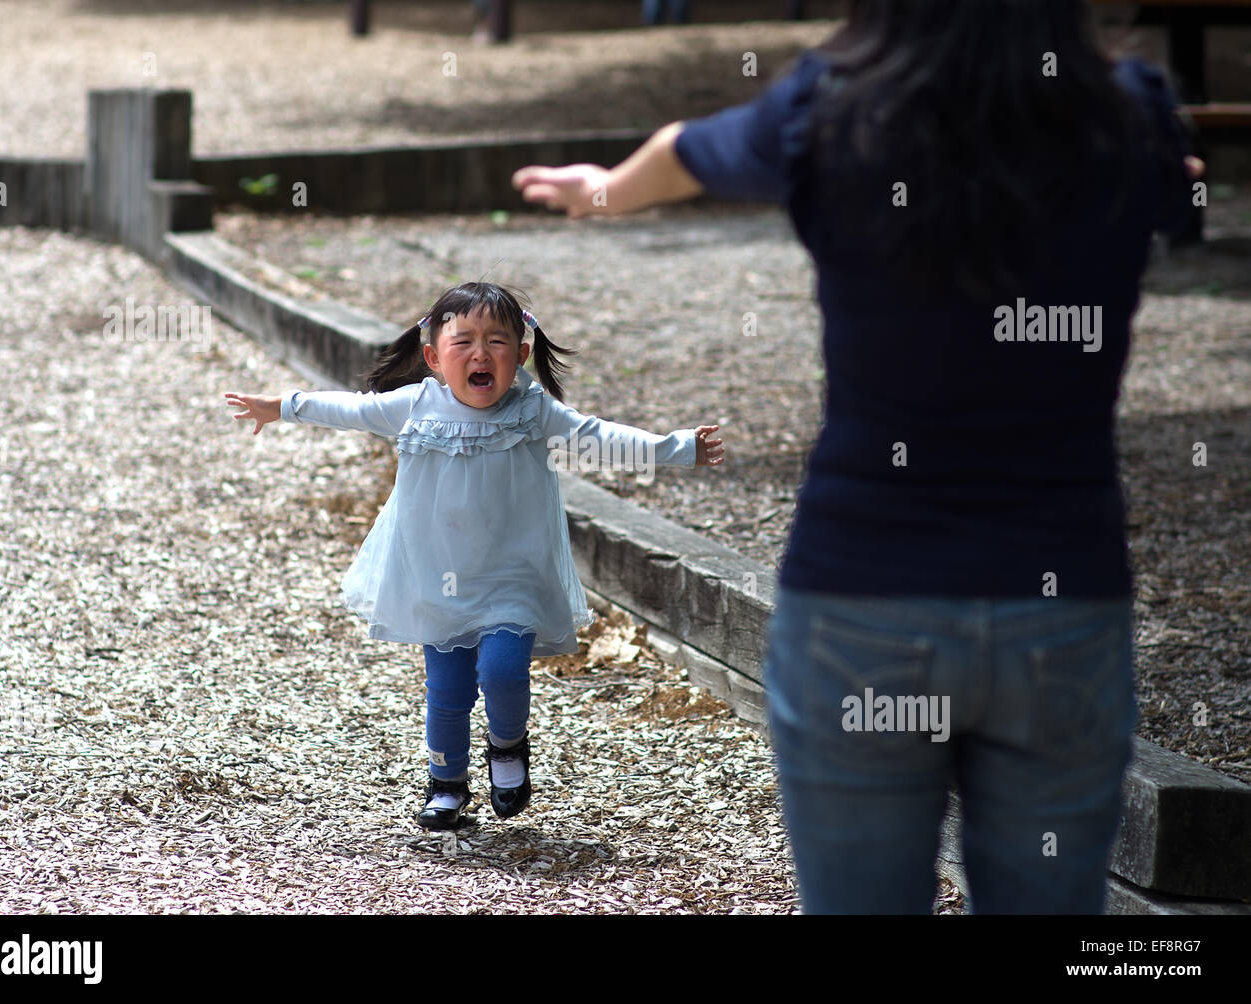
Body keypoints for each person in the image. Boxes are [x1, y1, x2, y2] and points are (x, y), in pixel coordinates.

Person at [512, 0, 1205, 912]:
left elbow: (684, 150)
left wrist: (595, 188)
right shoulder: (1126, 109)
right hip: (1062, 605)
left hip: (860, 598)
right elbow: (1176, 201)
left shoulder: (828, 107)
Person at [225, 282, 725, 830]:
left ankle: (508, 746)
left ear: (522, 355)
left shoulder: (531, 410)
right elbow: (350, 410)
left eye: (497, 341)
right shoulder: (415, 405)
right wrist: (282, 407)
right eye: (463, 341)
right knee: (447, 689)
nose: (481, 353)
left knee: (505, 671)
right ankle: (447, 784)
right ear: (435, 357)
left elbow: (599, 437)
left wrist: (676, 447)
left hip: (511, 574)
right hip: (436, 574)